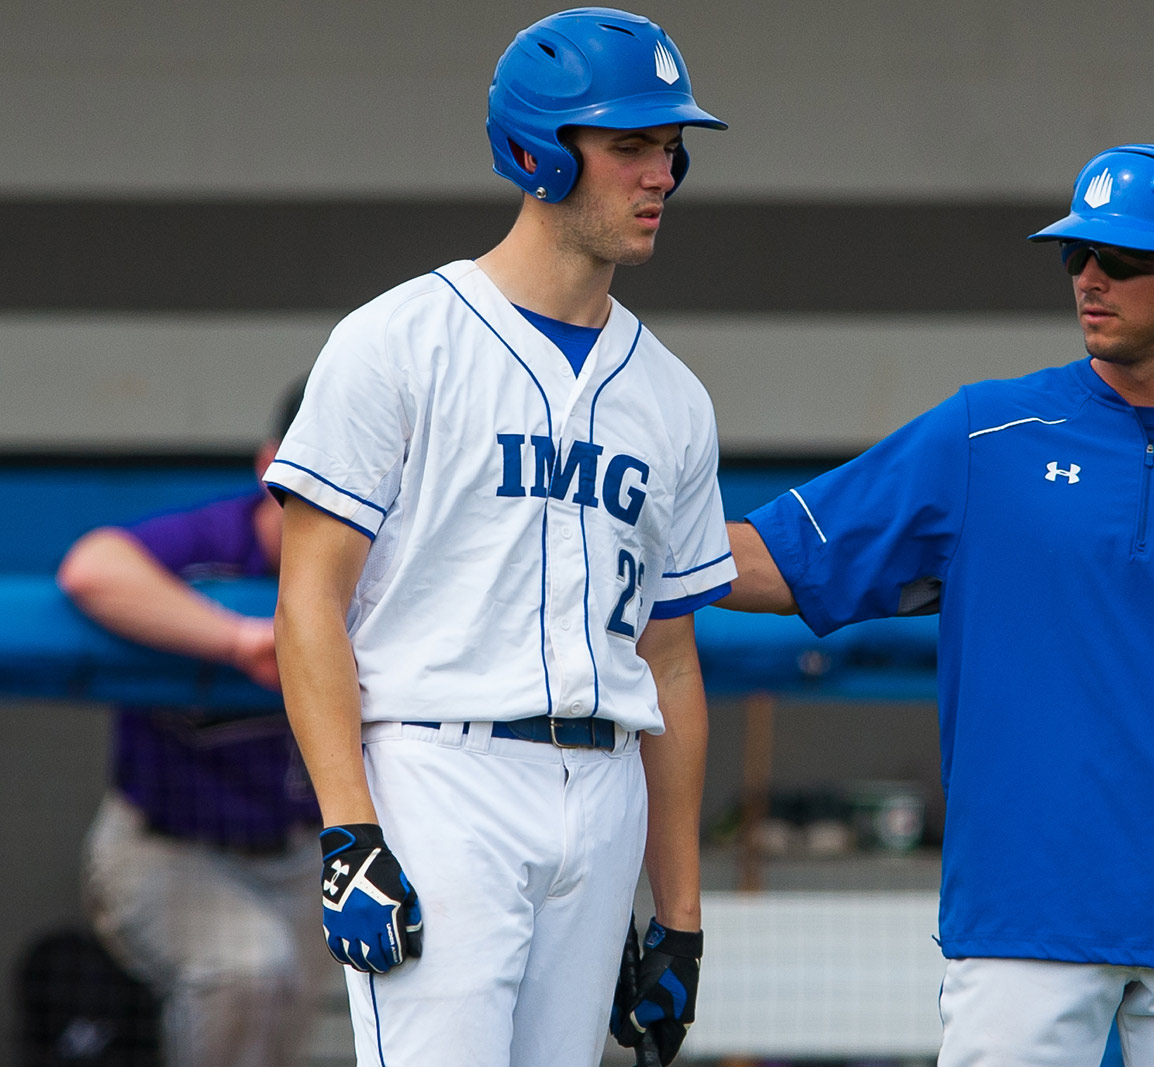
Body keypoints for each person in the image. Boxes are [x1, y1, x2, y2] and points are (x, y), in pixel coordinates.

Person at [720, 144, 1154, 1067]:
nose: (1090, 278)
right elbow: (784, 560)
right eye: (1076, 255)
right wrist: (605, 543)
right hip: (1027, 913)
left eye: (1122, 260)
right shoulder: (984, 432)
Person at [264, 10, 733, 1067]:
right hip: (440, 771)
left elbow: (668, 657)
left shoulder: (673, 396)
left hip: (604, 788)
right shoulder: (398, 341)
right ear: (537, 151)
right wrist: (350, 833)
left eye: (669, 148)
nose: (659, 174)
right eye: (629, 146)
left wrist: (681, 913)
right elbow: (307, 604)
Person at [56, 379, 325, 1067]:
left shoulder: (369, 567)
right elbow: (91, 569)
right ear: (271, 464)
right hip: (167, 847)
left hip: (295, 854)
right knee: (246, 969)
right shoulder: (219, 541)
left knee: (281, 1029)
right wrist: (236, 640)